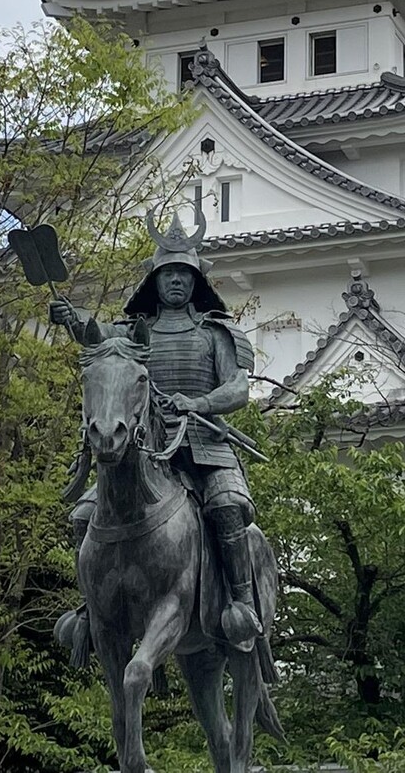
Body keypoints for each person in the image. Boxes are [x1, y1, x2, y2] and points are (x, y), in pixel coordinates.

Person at [51, 209, 261, 648]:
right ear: (155, 280)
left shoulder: (215, 333)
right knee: (85, 515)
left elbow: (238, 388)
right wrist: (71, 317)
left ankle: (240, 605)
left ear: (197, 280)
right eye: (169, 274)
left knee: (226, 507)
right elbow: (96, 337)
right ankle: (93, 609)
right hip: (145, 449)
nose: (177, 282)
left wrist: (198, 402)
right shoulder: (131, 334)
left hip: (204, 444)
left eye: (185, 274)